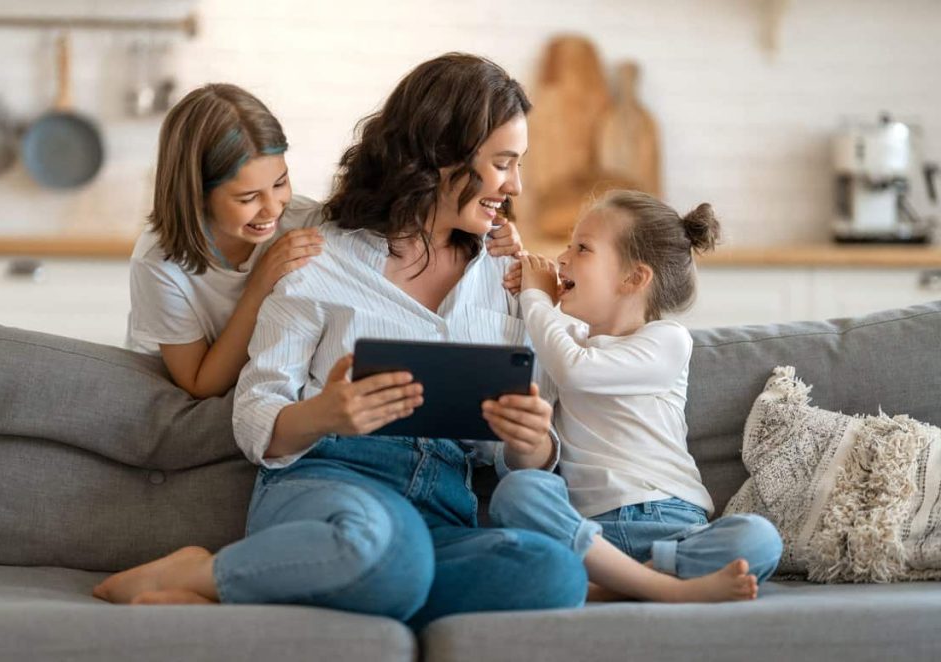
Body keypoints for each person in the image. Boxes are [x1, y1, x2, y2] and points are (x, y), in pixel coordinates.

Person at [93, 54, 586, 629]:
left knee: (555, 573)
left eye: (518, 164)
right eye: (502, 163)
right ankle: (203, 573)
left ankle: (338, 582)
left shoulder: (508, 279)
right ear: (440, 156)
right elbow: (255, 410)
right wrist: (323, 414)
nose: (516, 184)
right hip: (327, 482)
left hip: (440, 505)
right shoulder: (320, 250)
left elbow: (511, 453)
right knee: (387, 550)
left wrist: (529, 448)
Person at [126, 82, 528, 398]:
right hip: (194, 382)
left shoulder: (304, 219)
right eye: (248, 198)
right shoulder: (159, 261)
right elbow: (199, 383)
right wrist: (260, 284)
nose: (272, 208)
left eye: (281, 182)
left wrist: (494, 231)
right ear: (196, 194)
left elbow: (390, 219)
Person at [492, 190, 783, 602]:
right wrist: (511, 257)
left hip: (672, 526)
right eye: (568, 246)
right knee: (517, 493)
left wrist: (536, 298)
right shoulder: (557, 343)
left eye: (582, 248)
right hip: (588, 534)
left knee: (760, 538)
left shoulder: (667, 340)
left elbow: (577, 370)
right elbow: (550, 375)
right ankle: (655, 586)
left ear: (633, 278)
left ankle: (619, 584)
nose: (561, 259)